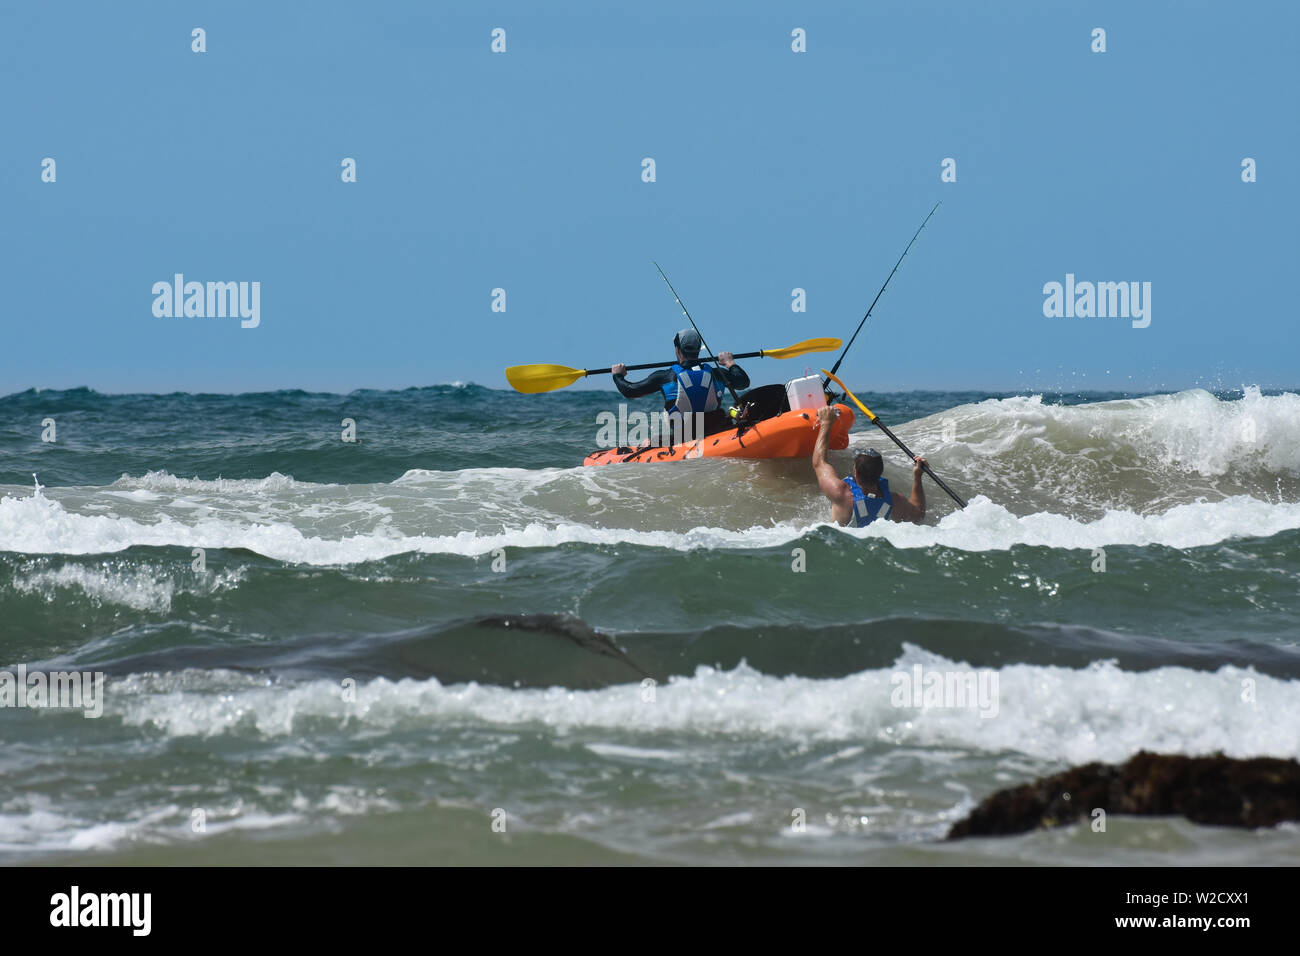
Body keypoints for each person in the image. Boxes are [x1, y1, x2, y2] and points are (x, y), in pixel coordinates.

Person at [610, 329, 750, 439]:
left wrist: (618, 375)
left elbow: (630, 391)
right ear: (698, 349)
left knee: (649, 441)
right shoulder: (717, 373)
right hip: (716, 431)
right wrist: (729, 363)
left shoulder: (665, 377)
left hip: (684, 437)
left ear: (677, 350)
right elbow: (743, 382)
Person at [812, 404, 926, 525]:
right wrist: (917, 476)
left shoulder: (841, 494)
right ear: (879, 474)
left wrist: (826, 422)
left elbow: (819, 462)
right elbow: (919, 514)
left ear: (855, 472)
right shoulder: (895, 501)